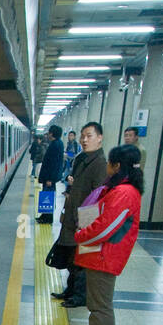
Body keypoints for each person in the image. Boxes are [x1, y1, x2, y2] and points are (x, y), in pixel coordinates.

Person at [70, 144, 143, 325]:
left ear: (117, 166)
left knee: (100, 306)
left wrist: (80, 235)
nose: (107, 168)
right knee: (96, 304)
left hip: (105, 255)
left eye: (110, 164)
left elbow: (106, 227)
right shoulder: (121, 189)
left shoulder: (124, 193)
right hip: (101, 254)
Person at [51, 121, 106, 307]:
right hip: (73, 213)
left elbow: (98, 196)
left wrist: (86, 223)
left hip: (85, 217)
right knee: (71, 258)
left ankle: (79, 296)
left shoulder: (99, 163)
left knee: (82, 259)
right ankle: (70, 290)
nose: (84, 139)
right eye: (83, 136)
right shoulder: (82, 159)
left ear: (100, 138)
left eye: (89, 136)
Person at [37, 124, 65, 222]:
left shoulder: (55, 145)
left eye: (49, 133)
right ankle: (44, 216)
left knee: (47, 197)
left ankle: (47, 218)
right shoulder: (58, 143)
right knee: (47, 196)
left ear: (52, 133)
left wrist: (50, 179)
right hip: (50, 177)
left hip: (49, 178)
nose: (48, 135)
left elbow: (54, 163)